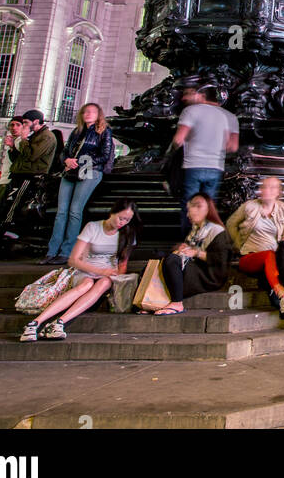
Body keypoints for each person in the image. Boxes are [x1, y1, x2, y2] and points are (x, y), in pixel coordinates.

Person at [19, 199, 139, 342]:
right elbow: (74, 260)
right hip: (85, 270)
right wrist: (100, 271)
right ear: (112, 213)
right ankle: (35, 323)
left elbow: (122, 264)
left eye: (127, 220)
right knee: (86, 284)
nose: (122, 222)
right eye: (121, 217)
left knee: (104, 283)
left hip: (107, 276)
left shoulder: (127, 234)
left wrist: (113, 275)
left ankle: (59, 322)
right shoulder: (93, 227)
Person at [43, 103, 116, 265]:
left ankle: (67, 251)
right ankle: (51, 251)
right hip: (70, 171)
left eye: (92, 112)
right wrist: (67, 160)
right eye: (86, 112)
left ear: (99, 115)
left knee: (75, 211)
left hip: (90, 171)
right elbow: (64, 151)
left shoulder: (104, 132)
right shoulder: (77, 132)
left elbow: (105, 155)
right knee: (61, 212)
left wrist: (84, 162)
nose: (88, 114)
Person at [227, 176, 284, 316]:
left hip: (273, 260)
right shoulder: (249, 206)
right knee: (268, 255)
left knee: (272, 264)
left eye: (272, 187)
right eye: (264, 186)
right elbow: (230, 224)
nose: (267, 190)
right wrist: (237, 244)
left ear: (278, 192)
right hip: (249, 257)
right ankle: (283, 296)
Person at [172, 86, 239, 230]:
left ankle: (188, 240)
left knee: (190, 206)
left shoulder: (191, 111)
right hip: (215, 167)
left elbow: (178, 140)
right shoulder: (228, 116)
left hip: (193, 165)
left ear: (202, 96)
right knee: (208, 206)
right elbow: (232, 146)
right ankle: (204, 241)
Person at [155, 193, 234, 316]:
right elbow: (190, 247)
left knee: (172, 261)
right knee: (161, 259)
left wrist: (196, 253)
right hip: (196, 267)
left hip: (210, 274)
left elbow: (220, 259)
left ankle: (177, 303)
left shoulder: (217, 231)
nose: (188, 215)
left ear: (201, 209)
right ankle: (150, 301)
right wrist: (183, 248)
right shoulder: (196, 229)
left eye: (190, 211)